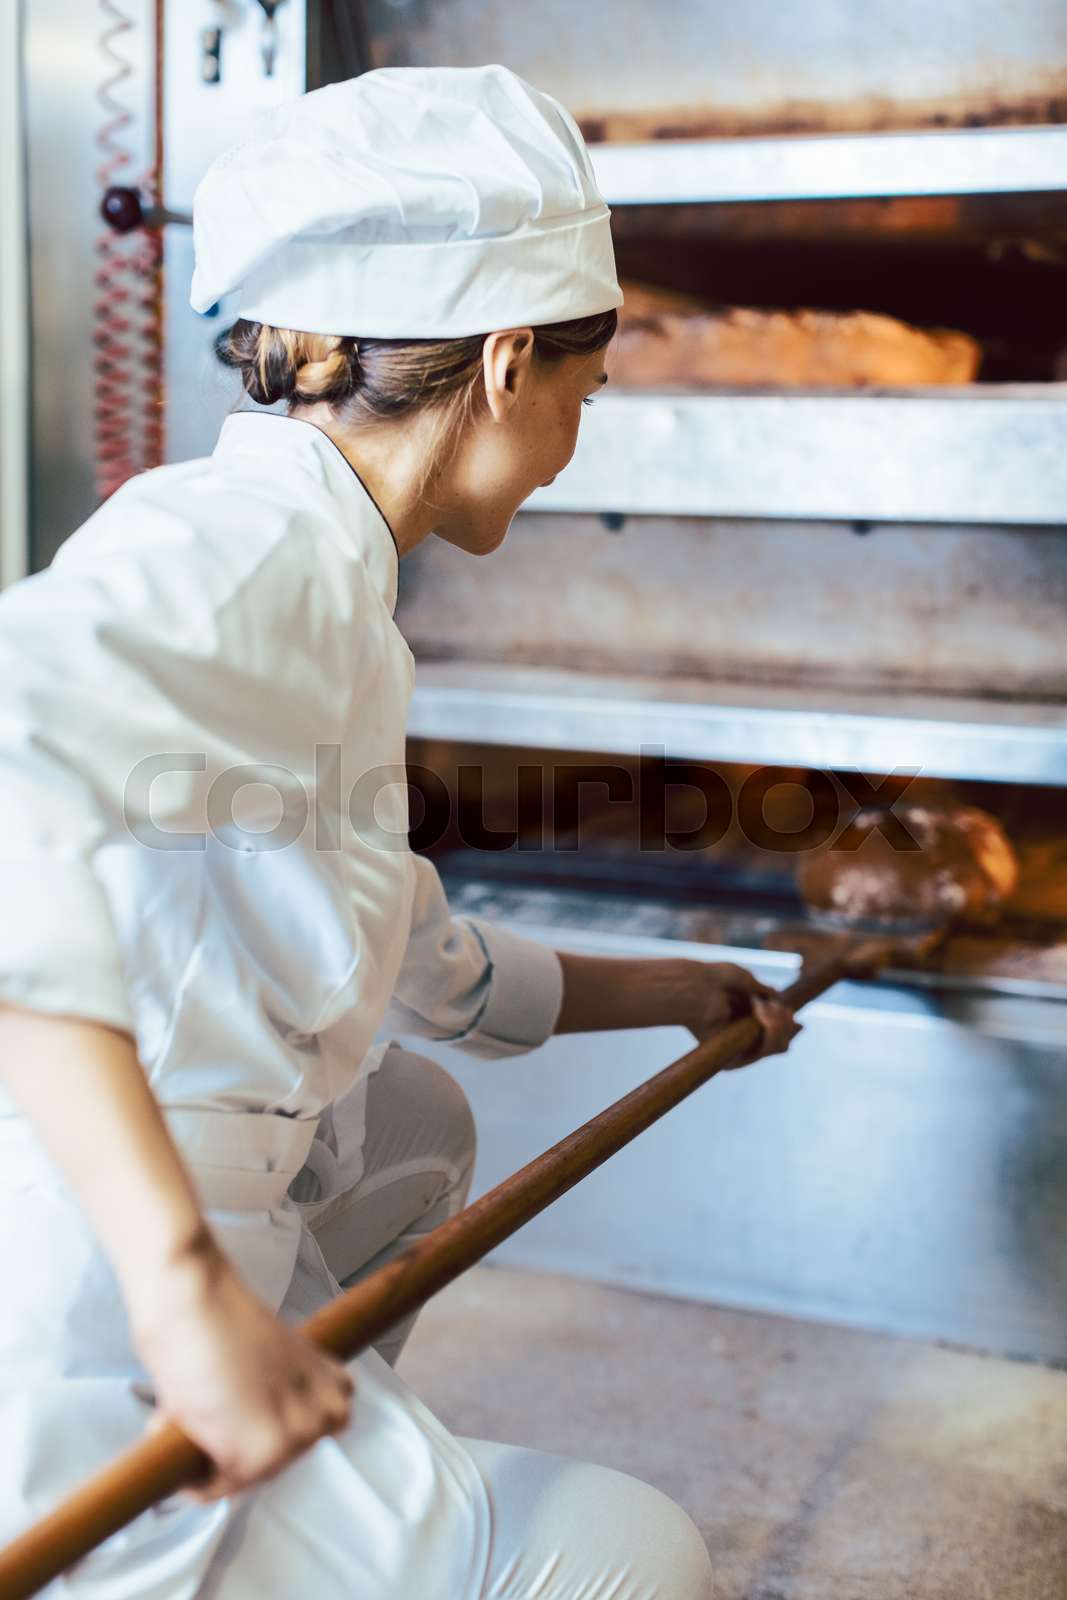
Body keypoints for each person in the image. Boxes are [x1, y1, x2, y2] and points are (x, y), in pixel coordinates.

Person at [0, 66, 800, 1599]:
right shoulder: (251, 558)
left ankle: (327, 1495)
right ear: (506, 364)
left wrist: (679, 989)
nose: (585, 422)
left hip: (181, 1179)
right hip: (80, 1282)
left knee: (413, 1120)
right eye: (591, 381)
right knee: (639, 1556)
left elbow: (408, 951)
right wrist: (180, 1298)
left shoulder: (328, 564)